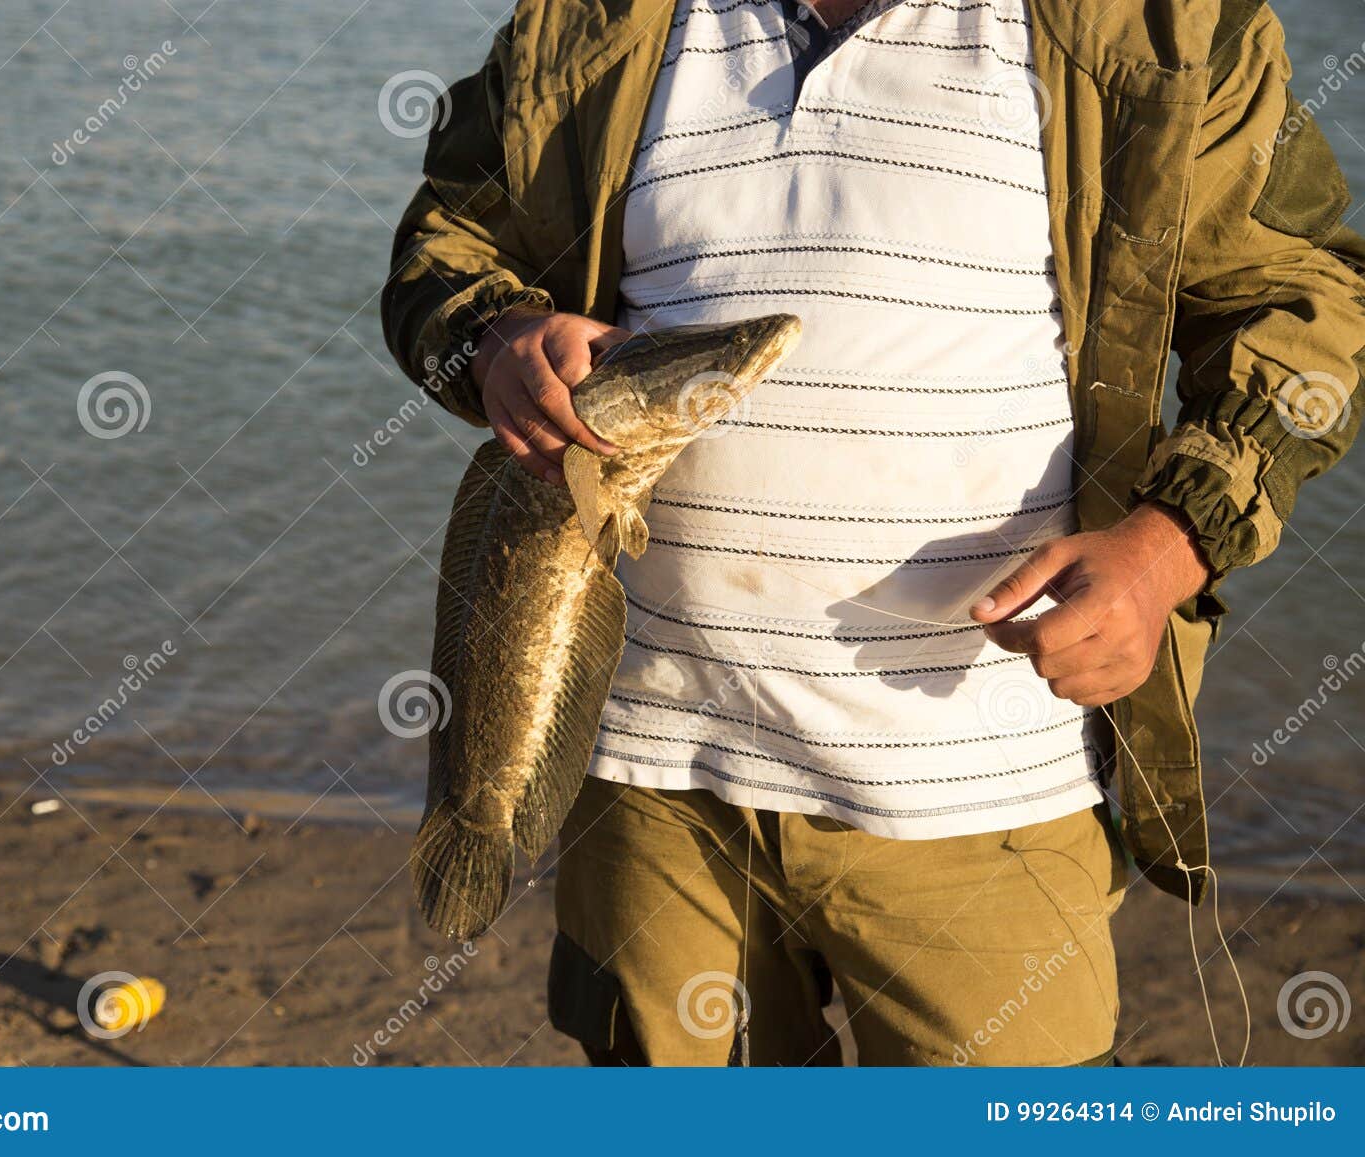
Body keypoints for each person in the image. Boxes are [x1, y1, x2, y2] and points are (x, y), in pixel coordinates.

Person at [382, 0, 1365, 1065]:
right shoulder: (591, 21)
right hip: (647, 771)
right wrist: (493, 337)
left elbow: (1303, 301)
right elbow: (449, 238)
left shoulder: (1160, 27)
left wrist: (1167, 548)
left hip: (978, 785)